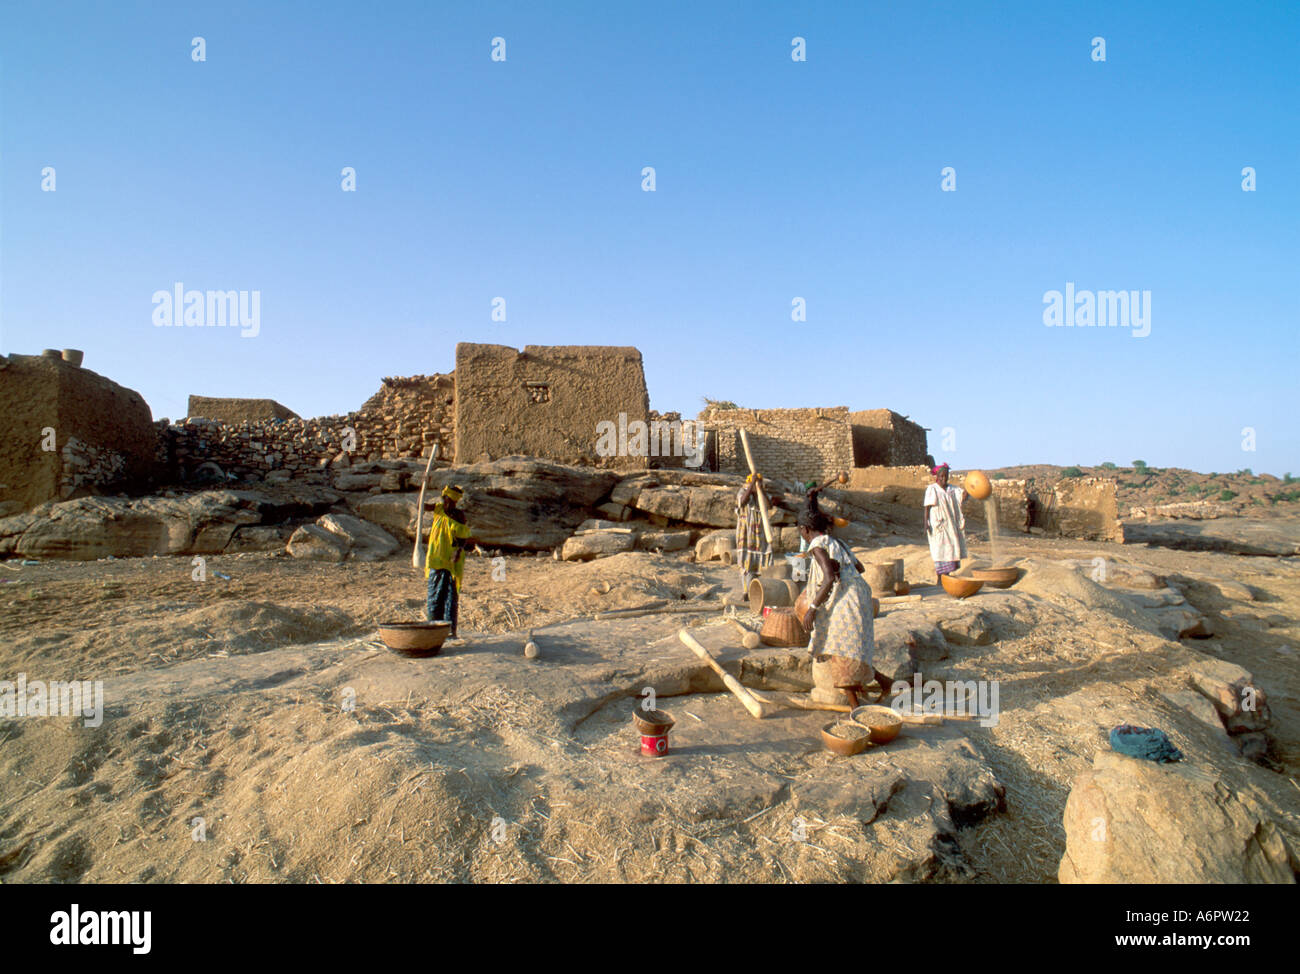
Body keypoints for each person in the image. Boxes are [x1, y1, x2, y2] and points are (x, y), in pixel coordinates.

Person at [797, 505, 891, 709]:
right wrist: (837, 566)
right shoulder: (836, 542)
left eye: (800, 530)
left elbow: (829, 578)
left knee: (840, 649)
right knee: (851, 649)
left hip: (848, 598)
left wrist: (812, 607)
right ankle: (886, 683)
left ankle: (855, 708)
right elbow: (859, 568)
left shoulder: (817, 545)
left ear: (805, 529)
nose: (802, 535)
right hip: (860, 593)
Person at [425, 485, 471, 638]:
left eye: (452, 502)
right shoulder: (438, 509)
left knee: (451, 595)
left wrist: (458, 550)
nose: (449, 504)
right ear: (443, 498)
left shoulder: (459, 515)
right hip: (437, 558)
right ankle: (433, 628)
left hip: (452, 560)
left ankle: (450, 631)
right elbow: (420, 506)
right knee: (434, 594)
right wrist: (425, 485)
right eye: (447, 500)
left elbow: (463, 538)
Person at [924, 463, 967, 581]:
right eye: (941, 476)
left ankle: (947, 577)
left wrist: (969, 489)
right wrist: (926, 523)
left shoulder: (953, 489)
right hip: (938, 525)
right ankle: (940, 578)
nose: (944, 478)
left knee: (951, 549)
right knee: (939, 550)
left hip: (951, 525)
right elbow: (927, 507)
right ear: (937, 476)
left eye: (946, 476)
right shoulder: (932, 489)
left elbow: (962, 496)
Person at [734, 473, 773, 590]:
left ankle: (761, 590)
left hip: (760, 533)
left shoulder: (762, 494)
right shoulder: (743, 492)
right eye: (757, 483)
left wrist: (760, 490)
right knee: (747, 562)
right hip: (746, 533)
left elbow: (769, 505)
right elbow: (742, 502)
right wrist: (752, 486)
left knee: (763, 561)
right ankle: (747, 591)